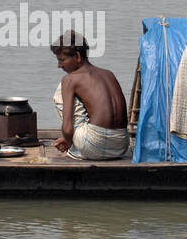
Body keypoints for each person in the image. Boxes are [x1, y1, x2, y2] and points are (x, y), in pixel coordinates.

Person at [50, 30, 130, 160]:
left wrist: (68, 140)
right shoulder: (109, 74)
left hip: (95, 146)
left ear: (77, 56)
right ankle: (83, 135)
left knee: (61, 90)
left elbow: (68, 128)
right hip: (121, 145)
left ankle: (76, 144)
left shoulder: (70, 79)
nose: (59, 65)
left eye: (62, 60)